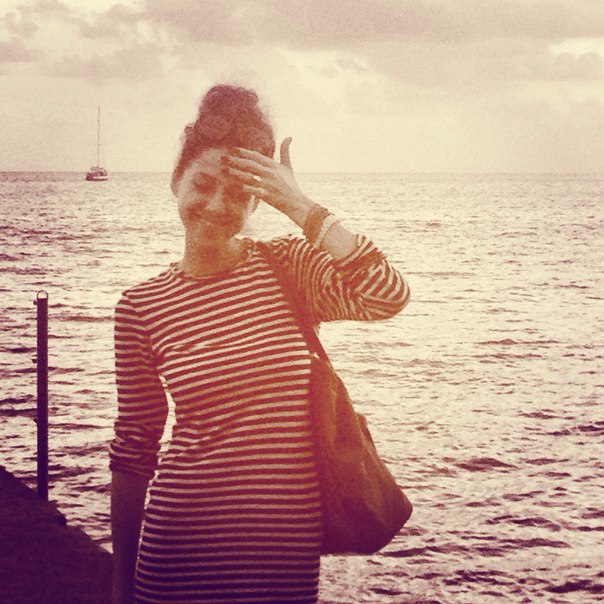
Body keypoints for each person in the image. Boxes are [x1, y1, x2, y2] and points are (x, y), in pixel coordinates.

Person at [109, 84, 411, 604]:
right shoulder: (142, 306)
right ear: (176, 181)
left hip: (281, 564)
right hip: (177, 554)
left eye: (238, 194)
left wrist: (300, 205)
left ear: (257, 201)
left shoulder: (289, 266)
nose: (216, 206)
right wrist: (121, 583)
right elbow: (135, 449)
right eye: (203, 184)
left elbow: (386, 296)